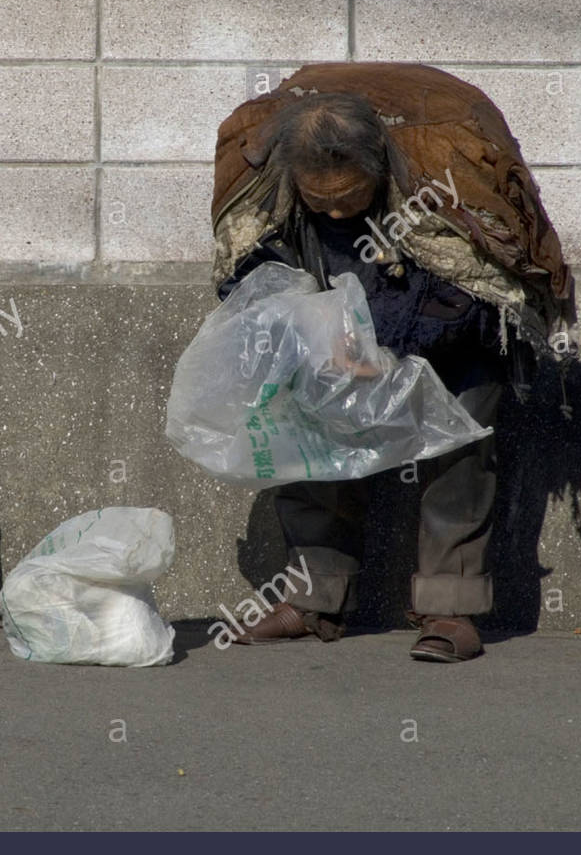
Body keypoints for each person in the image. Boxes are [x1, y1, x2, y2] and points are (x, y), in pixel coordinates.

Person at [215, 90, 538, 662]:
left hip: (445, 340)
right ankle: (313, 599)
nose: (337, 213)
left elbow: (476, 296)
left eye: (349, 197)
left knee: (464, 432)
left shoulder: (441, 194)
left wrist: (386, 353)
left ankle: (450, 605)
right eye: (321, 200)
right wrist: (311, 341)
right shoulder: (268, 200)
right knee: (303, 431)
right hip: (334, 352)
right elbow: (249, 284)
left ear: (379, 167)